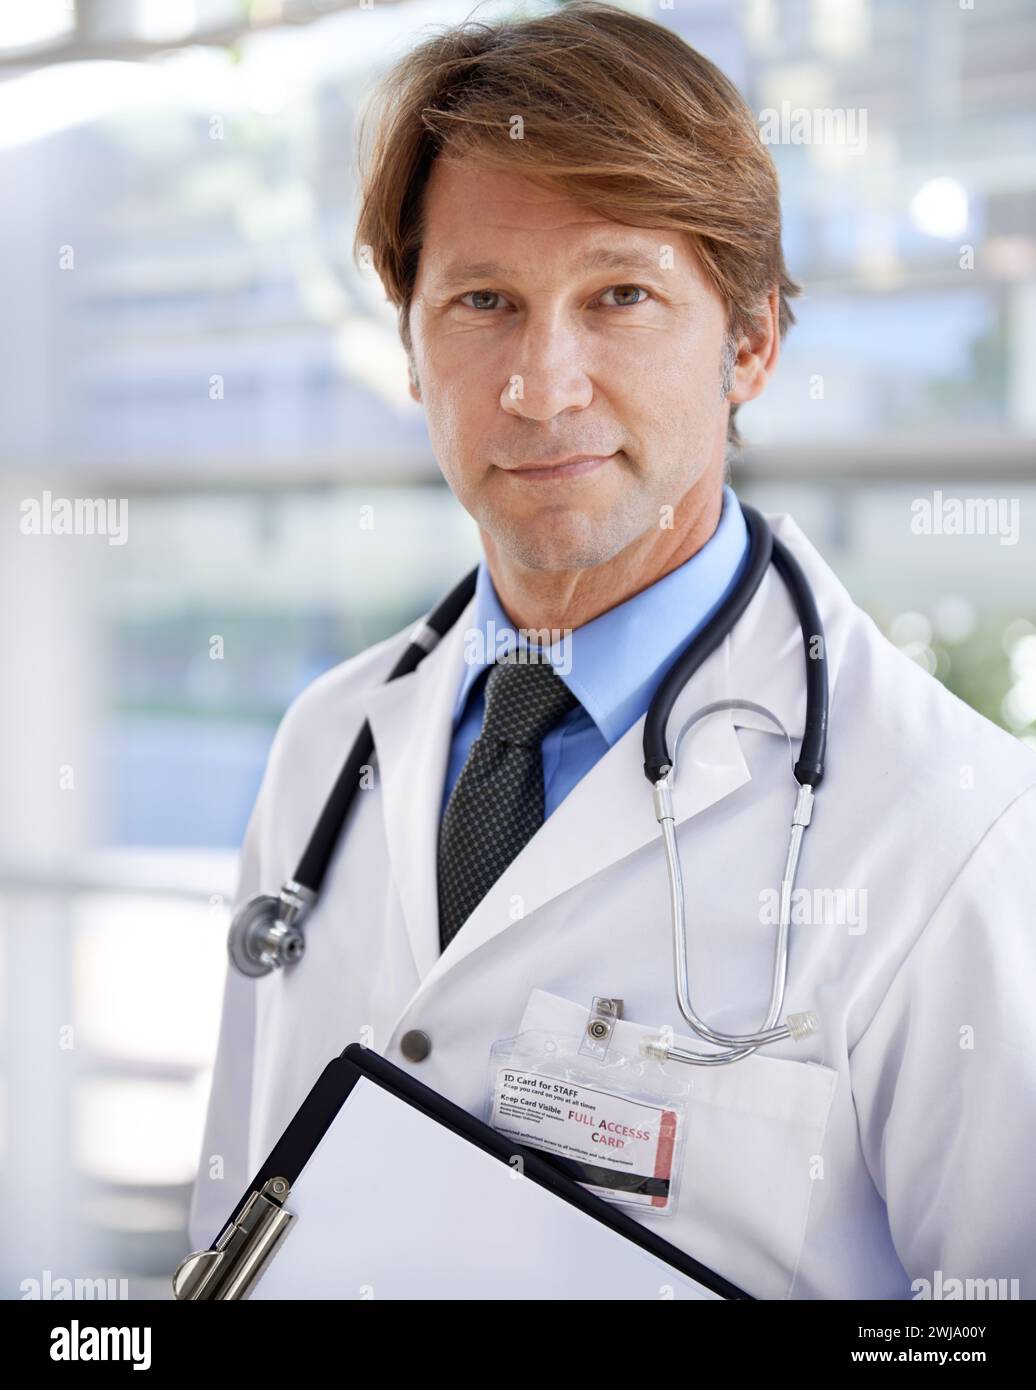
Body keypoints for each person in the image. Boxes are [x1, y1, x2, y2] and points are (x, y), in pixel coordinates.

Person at [188, 2, 1036, 1299]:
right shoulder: (328, 743)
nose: (541, 383)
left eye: (620, 296)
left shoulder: (950, 830)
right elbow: (236, 1232)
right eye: (483, 301)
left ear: (749, 341)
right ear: (411, 349)